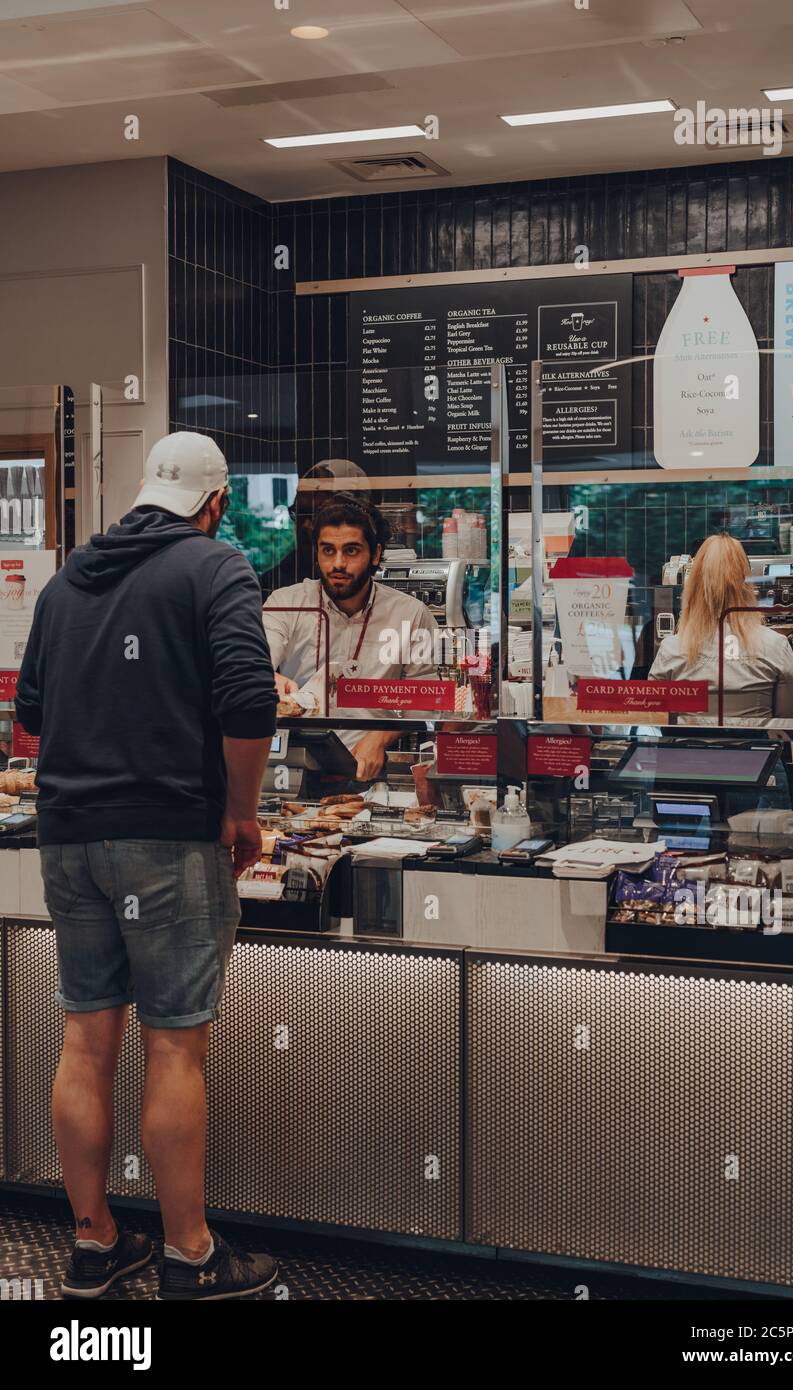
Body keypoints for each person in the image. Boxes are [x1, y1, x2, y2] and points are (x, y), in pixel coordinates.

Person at [14, 431, 279, 1301]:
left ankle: (93, 1245)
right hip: (167, 838)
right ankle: (189, 1255)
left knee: (87, 1035)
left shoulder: (64, 585)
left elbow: (33, 715)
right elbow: (246, 698)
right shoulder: (214, 568)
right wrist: (239, 812)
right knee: (174, 1046)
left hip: (67, 833)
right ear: (215, 503)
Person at [264, 494, 441, 781]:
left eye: (351, 550)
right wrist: (266, 675)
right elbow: (257, 657)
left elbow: (426, 698)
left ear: (374, 554)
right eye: (328, 550)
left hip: (370, 772)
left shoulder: (410, 614)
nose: (338, 564)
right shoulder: (286, 603)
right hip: (293, 767)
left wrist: (379, 738)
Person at [649, 532, 793, 725]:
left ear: (693, 587)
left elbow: (655, 719)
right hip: (758, 753)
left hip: (688, 753)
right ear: (747, 584)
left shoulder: (670, 649)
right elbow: (790, 720)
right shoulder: (775, 646)